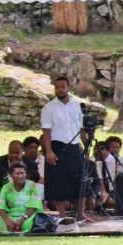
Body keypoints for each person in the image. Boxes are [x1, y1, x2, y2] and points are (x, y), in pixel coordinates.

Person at [41, 76, 90, 222]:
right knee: (58, 182)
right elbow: (46, 132)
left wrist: (86, 147)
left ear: (68, 88)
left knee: (80, 179)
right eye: (57, 87)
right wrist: (49, 151)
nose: (60, 89)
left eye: (63, 86)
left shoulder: (77, 106)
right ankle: (62, 216)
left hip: (74, 147)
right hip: (56, 147)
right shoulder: (49, 108)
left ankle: (80, 214)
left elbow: (81, 129)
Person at [0, 162, 43, 233]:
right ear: (11, 175)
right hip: (11, 216)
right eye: (17, 173)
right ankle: (11, 227)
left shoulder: (32, 185)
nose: (20, 176)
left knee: (35, 220)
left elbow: (34, 206)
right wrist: (8, 221)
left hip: (28, 217)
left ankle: (15, 228)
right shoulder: (6, 187)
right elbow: (0, 206)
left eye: (22, 173)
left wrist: (21, 221)